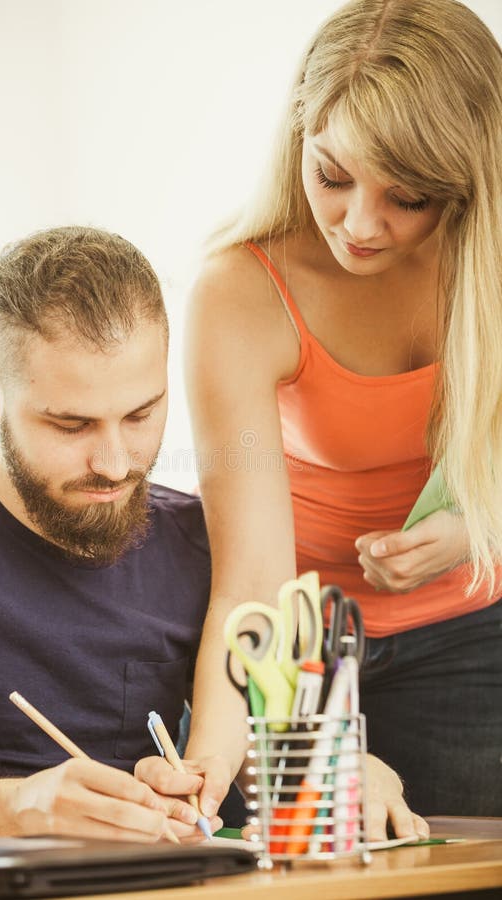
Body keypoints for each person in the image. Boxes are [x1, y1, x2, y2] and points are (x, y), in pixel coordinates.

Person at [184, 0, 502, 831]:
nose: (360, 225)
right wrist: (207, 772)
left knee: (465, 866)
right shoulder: (240, 291)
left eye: (410, 197)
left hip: (473, 628)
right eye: (332, 176)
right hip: (299, 643)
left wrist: (482, 529)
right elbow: (250, 583)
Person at [0, 225, 222, 840]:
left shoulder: (195, 539)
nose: (116, 465)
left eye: (141, 415)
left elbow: (256, 745)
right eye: (71, 426)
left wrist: (347, 774)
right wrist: (14, 808)